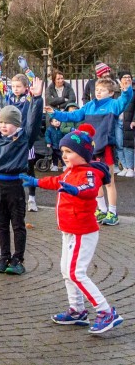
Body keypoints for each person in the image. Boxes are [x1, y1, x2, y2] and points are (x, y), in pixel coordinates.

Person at [21, 126, 123, 334]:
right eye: (63, 151)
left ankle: (106, 311)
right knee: (66, 271)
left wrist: (75, 190)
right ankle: (77, 310)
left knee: (76, 273)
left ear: (83, 153)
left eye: (69, 152)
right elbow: (57, 181)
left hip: (81, 231)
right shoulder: (70, 171)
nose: (64, 155)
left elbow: (90, 190)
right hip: (69, 229)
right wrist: (36, 182)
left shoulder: (89, 172)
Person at [45, 73, 133, 226]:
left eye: (103, 90)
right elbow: (73, 116)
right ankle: (102, 209)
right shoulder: (89, 105)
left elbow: (125, 100)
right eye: (97, 89)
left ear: (111, 93)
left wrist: (127, 90)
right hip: (91, 148)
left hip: (105, 146)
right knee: (94, 179)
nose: (98, 92)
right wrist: (55, 113)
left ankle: (113, 212)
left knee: (109, 181)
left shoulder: (113, 105)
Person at [0, 76, 44, 275]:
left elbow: (34, 121)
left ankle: (18, 258)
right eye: (1, 121)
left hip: (14, 186)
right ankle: (4, 256)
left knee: (17, 224)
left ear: (16, 125)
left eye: (7, 123)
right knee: (1, 224)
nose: (2, 125)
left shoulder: (23, 138)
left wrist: (37, 99)